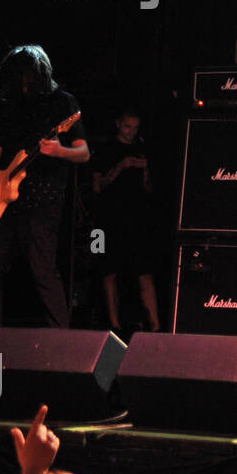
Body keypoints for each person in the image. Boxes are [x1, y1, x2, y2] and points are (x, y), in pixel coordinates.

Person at [0, 45, 88, 330]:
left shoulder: (63, 103)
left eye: (28, 79)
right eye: (19, 79)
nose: (24, 86)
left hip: (44, 199)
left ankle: (61, 344)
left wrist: (59, 151)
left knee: (43, 272)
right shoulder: (11, 107)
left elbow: (84, 152)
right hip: (6, 200)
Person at [90, 110, 160, 332]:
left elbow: (149, 189)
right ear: (118, 124)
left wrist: (145, 169)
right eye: (127, 126)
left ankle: (156, 325)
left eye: (136, 127)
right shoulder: (105, 149)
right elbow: (97, 186)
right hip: (111, 219)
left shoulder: (142, 148)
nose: (131, 132)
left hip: (138, 219)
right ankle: (114, 324)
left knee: (144, 272)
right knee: (110, 270)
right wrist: (121, 166)